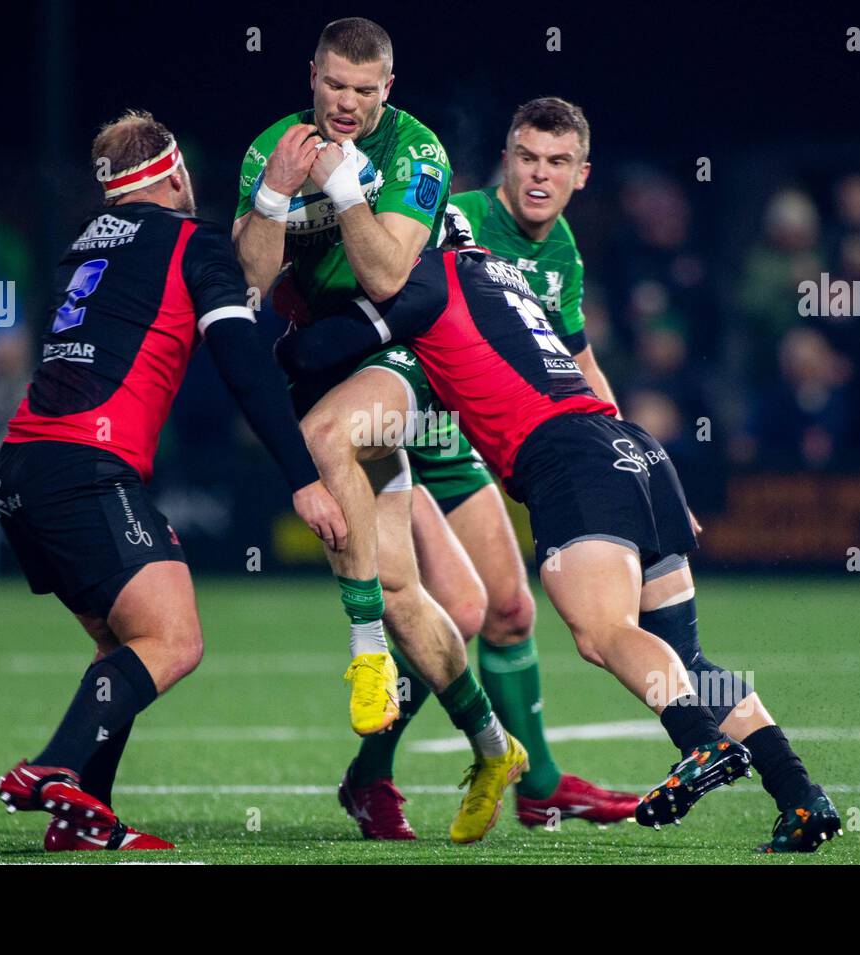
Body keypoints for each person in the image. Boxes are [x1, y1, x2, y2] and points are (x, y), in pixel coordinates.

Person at [277, 238, 844, 852]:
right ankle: (801, 797)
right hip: (634, 448)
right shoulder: (500, 270)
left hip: (565, 460)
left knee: (603, 633)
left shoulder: (429, 278)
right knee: (688, 659)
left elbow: (312, 349)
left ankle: (699, 744)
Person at [0, 110, 345, 853]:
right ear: (176, 173)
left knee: (123, 646)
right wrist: (303, 477)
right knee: (174, 641)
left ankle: (85, 815)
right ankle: (55, 767)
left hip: (23, 470)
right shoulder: (190, 242)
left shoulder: (84, 245)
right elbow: (242, 359)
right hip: (86, 465)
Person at [233, 16, 524, 844]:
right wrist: (275, 194)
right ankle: (491, 746)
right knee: (402, 592)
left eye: (365, 90)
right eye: (335, 85)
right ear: (312, 75)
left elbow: (390, 271)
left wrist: (347, 185)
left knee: (328, 437)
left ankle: (364, 658)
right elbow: (250, 280)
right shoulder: (273, 147)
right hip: (328, 360)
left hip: (409, 355)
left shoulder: (416, 150)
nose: (348, 103)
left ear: (386, 88)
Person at [340, 97, 637, 836]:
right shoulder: (458, 214)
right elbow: (375, 299)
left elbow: (576, 358)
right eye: (528, 158)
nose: (539, 176)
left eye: (556, 162)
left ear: (581, 174)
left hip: (464, 440)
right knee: (458, 611)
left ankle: (537, 784)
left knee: (510, 610)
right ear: (507, 158)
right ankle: (370, 778)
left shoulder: (560, 246)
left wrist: (628, 449)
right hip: (397, 427)